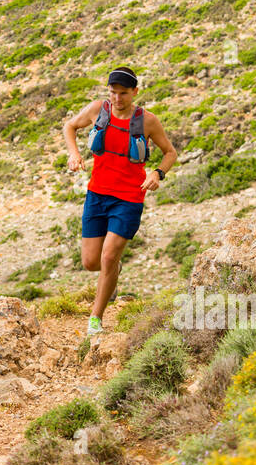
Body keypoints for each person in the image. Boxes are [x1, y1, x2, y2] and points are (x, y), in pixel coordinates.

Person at [62, 66, 177, 335]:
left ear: (135, 92)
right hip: (97, 194)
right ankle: (113, 270)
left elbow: (170, 152)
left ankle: (95, 319)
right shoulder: (97, 110)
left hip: (129, 197)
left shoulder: (147, 121)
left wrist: (158, 173)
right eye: (113, 93)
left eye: (123, 93)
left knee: (109, 255)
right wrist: (73, 154)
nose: (117, 98)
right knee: (91, 262)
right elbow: (70, 126)